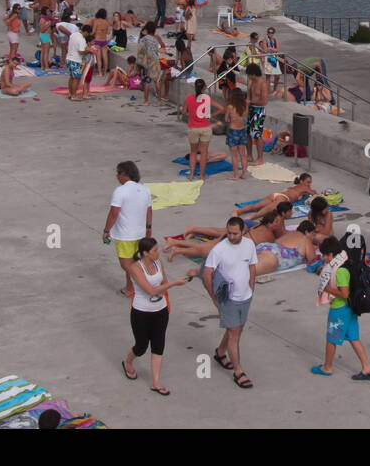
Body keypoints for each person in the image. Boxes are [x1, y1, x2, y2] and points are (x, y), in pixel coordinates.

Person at [122, 237, 192, 395]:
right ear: (145, 253)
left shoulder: (158, 263)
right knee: (141, 346)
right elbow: (151, 290)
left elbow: (163, 283)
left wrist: (166, 288)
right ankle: (128, 361)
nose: (158, 252)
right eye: (154, 251)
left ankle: (155, 382)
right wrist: (175, 283)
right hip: (141, 312)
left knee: (158, 344)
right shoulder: (135, 268)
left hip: (160, 310)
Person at [202, 217, 257, 390]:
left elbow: (252, 266)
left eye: (235, 233)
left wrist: (251, 288)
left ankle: (220, 352)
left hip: (245, 296)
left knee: (236, 328)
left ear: (243, 231)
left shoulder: (249, 245)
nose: (231, 236)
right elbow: (207, 273)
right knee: (234, 333)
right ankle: (238, 372)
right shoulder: (219, 249)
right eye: (229, 233)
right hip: (228, 299)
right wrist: (214, 298)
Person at [312, 235, 370, 379]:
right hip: (350, 309)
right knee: (353, 337)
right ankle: (366, 366)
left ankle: (327, 367)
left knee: (331, 339)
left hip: (340, 309)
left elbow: (344, 293)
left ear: (331, 254)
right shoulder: (345, 262)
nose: (324, 259)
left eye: (325, 256)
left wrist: (327, 289)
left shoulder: (340, 270)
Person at [103, 161, 154, 299]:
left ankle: (147, 287)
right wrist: (148, 227)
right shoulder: (144, 189)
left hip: (125, 235)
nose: (117, 176)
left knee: (128, 266)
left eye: (118, 173)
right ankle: (129, 289)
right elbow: (149, 209)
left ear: (125, 174)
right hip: (140, 234)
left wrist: (106, 230)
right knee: (134, 262)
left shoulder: (120, 191)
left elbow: (114, 213)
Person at [184, 78, 214, 180]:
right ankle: (201, 175)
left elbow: (184, 112)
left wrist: (191, 114)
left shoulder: (189, 98)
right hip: (205, 127)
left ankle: (191, 175)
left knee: (193, 152)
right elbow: (220, 109)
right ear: (204, 88)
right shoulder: (206, 99)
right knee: (204, 152)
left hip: (193, 128)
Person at [245, 62, 268, 165]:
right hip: (250, 109)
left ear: (253, 73)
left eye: (249, 74)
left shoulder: (262, 84)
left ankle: (260, 158)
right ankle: (249, 155)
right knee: (248, 134)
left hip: (258, 111)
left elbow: (264, 101)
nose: (248, 77)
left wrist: (252, 102)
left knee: (257, 135)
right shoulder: (252, 82)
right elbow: (248, 96)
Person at [64, 20, 90, 100]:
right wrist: (89, 51)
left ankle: (70, 93)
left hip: (68, 58)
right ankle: (74, 95)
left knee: (71, 77)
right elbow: (81, 51)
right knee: (76, 78)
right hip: (76, 60)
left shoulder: (73, 34)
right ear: (86, 32)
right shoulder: (81, 39)